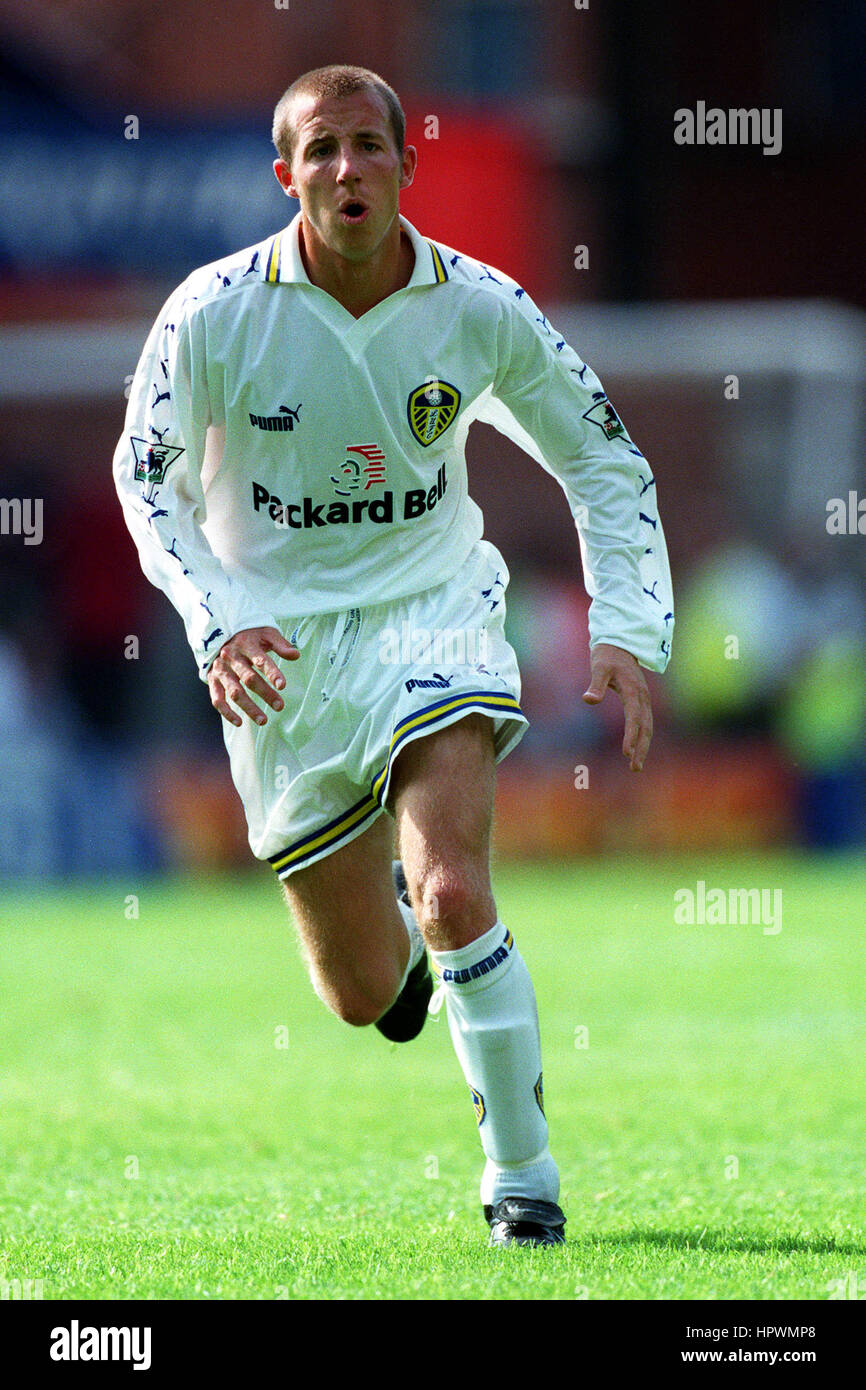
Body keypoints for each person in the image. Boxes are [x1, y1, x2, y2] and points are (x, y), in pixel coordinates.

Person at [114, 64, 674, 1248]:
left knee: (454, 887)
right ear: (287, 176)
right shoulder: (213, 312)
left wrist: (626, 624)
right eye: (320, 151)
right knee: (361, 993)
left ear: (404, 166)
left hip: (432, 614)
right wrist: (217, 619)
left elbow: (603, 459)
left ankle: (521, 1178)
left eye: (368, 146)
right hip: (279, 654)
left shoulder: (477, 305)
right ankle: (408, 963)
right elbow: (145, 478)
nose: (347, 170)